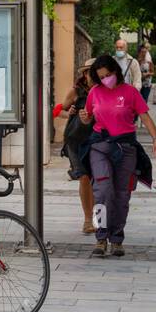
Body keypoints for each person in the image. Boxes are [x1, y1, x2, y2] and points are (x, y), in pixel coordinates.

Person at [79, 53, 156, 256]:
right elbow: (88, 118)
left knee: (121, 195)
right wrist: (84, 118)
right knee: (102, 191)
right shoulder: (95, 92)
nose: (105, 79)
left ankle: (117, 238)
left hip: (126, 148)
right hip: (100, 146)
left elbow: (145, 115)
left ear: (116, 71)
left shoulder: (130, 92)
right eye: (101, 77)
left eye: (108, 74)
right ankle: (101, 237)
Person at [60, 59, 97, 232]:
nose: (94, 74)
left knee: (96, 178)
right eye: (91, 71)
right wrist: (68, 112)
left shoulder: (105, 91)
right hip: (75, 139)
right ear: (85, 74)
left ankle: (97, 218)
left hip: (97, 138)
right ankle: (88, 220)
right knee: (83, 177)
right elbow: (57, 109)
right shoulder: (76, 91)